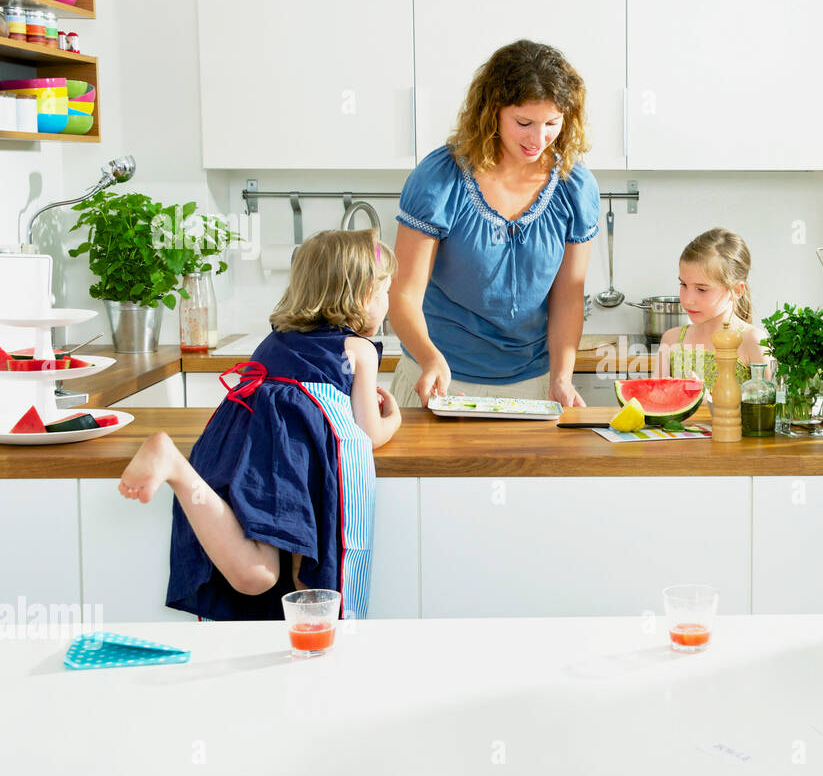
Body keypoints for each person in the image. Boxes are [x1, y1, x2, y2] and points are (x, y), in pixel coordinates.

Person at [117, 230, 402, 621]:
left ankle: (180, 470)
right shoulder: (358, 350)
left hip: (238, 446)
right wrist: (394, 418)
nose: (387, 301)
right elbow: (367, 435)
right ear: (365, 293)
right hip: (285, 459)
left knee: (261, 573)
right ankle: (174, 466)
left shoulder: (277, 339)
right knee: (275, 576)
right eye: (386, 290)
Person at [390, 39, 601, 409]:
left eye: (552, 123)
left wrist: (562, 377)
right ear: (492, 112)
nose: (539, 139)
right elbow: (403, 293)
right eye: (524, 123)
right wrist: (428, 358)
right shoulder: (441, 179)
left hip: (533, 385)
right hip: (441, 379)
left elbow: (567, 298)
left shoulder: (575, 186)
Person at [655, 227, 769, 393]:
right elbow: (655, 404)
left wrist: (709, 403)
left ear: (736, 291)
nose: (687, 299)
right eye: (683, 285)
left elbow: (769, 412)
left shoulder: (753, 342)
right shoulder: (671, 340)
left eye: (701, 289)